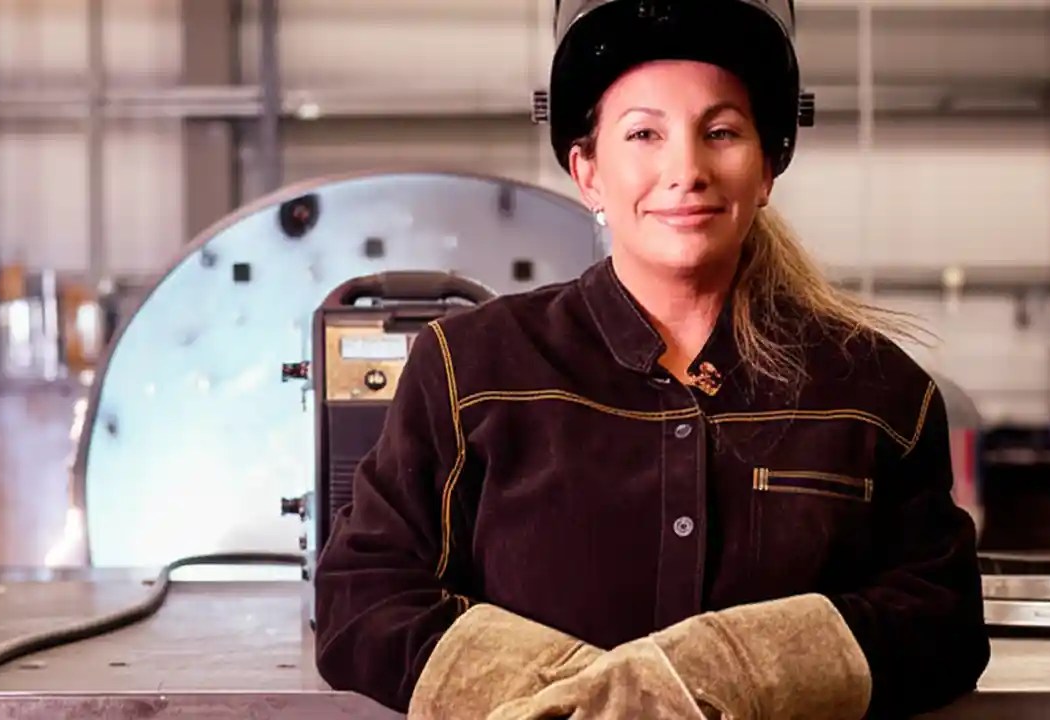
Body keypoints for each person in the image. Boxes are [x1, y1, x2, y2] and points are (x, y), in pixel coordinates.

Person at [313, 0, 990, 717]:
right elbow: (365, 598)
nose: (687, 170)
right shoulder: (468, 370)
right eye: (643, 133)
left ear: (767, 168)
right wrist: (591, 698)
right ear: (588, 173)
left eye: (722, 132)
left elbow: (940, 620)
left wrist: (723, 672)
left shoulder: (877, 391)